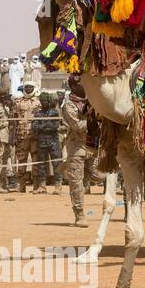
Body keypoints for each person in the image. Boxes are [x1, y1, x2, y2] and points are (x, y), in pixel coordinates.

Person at [61, 78, 92, 227]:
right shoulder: (68, 104)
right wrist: (94, 120)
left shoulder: (91, 101)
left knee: (100, 176)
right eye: (81, 83)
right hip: (76, 148)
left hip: (92, 147)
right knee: (76, 182)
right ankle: (79, 214)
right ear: (73, 86)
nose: (85, 84)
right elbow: (77, 126)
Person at [34, 91, 62, 196]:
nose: (43, 103)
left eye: (45, 101)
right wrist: (45, 125)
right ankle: (42, 186)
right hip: (41, 142)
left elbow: (54, 127)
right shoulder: (37, 113)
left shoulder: (54, 113)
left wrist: (42, 126)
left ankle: (58, 186)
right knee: (41, 165)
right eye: (42, 101)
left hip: (53, 142)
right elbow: (35, 128)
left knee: (56, 164)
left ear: (49, 101)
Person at [12, 85, 38, 192]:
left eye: (30, 87)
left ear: (34, 89)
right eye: (26, 87)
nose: (28, 89)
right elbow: (14, 121)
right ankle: (21, 186)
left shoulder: (38, 102)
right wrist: (13, 136)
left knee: (36, 161)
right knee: (22, 160)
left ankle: (36, 186)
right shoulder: (18, 103)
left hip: (34, 137)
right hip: (21, 136)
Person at [0, 90, 11, 192]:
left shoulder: (5, 107)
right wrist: (7, 123)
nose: (6, 99)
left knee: (3, 161)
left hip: (5, 137)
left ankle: (2, 183)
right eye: (4, 97)